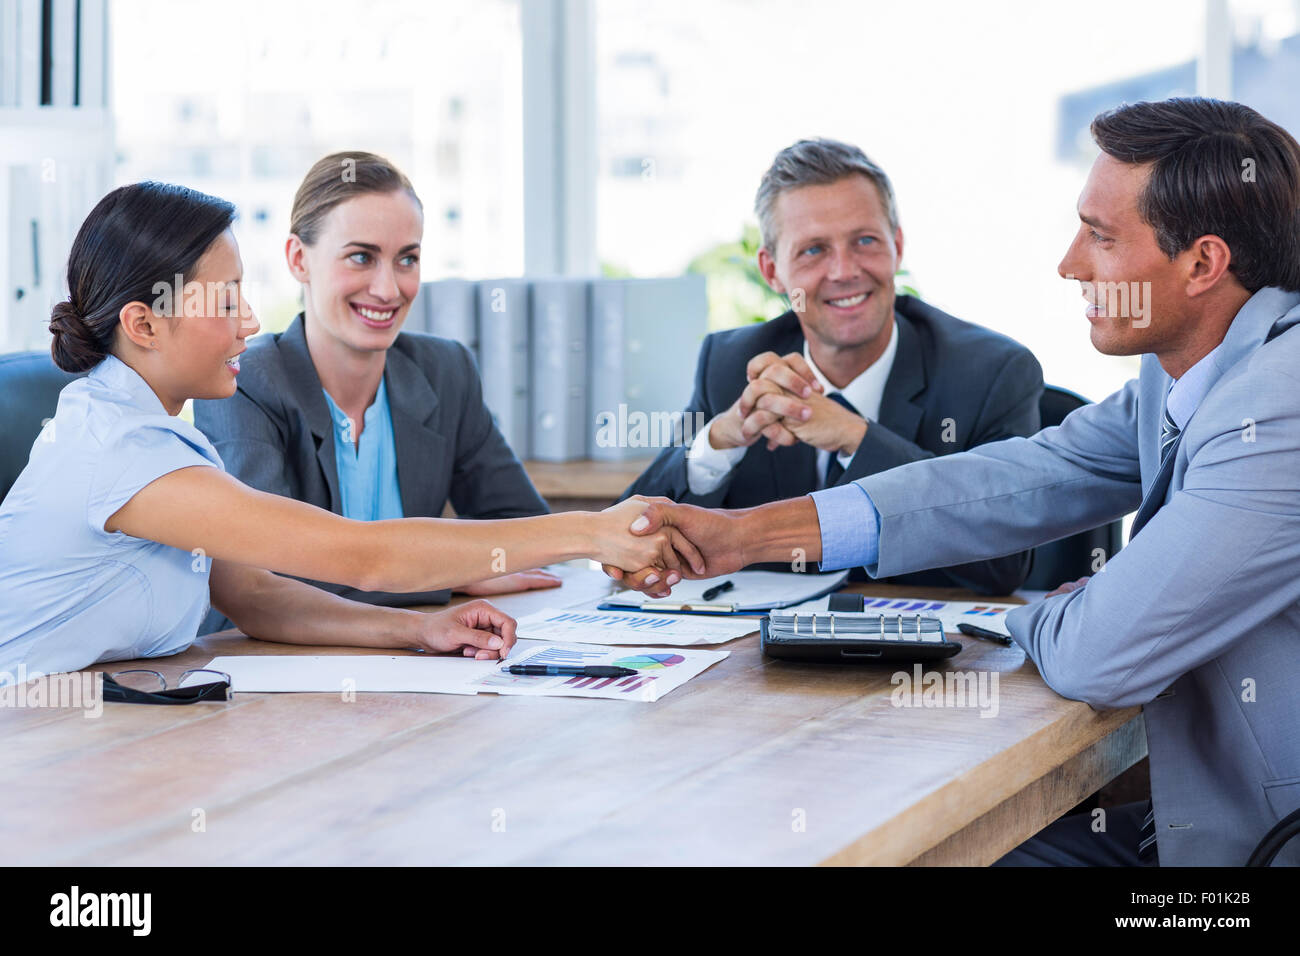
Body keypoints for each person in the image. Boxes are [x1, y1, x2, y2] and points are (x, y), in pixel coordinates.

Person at [613, 99, 1300, 867]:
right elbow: (1033, 475)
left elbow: (1100, 655)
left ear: (1203, 264)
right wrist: (749, 536)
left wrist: (1047, 615)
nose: (1070, 262)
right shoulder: (1191, 370)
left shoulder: (1281, 405)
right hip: (1187, 820)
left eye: (1100, 238)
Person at [0, 181, 701, 682]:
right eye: (224, 299)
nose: (249, 319)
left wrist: (417, 628)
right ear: (143, 323)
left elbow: (253, 595)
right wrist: (590, 530)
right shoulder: (121, 453)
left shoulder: (161, 437)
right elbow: (362, 557)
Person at [623, 138, 1044, 594]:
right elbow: (629, 539)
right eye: (813, 250)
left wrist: (855, 438)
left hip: (924, 656)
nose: (844, 271)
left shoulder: (992, 371)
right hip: (761, 654)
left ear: (897, 247)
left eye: (865, 241)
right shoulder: (730, 364)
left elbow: (1005, 561)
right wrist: (719, 443)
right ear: (772, 271)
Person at [194, 152, 554, 635]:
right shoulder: (247, 381)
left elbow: (522, 527)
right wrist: (448, 575)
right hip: (272, 670)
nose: (388, 288)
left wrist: (473, 567)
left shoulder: (445, 370)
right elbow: (268, 577)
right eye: (361, 257)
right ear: (299, 259)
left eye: (407, 259)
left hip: (415, 662)